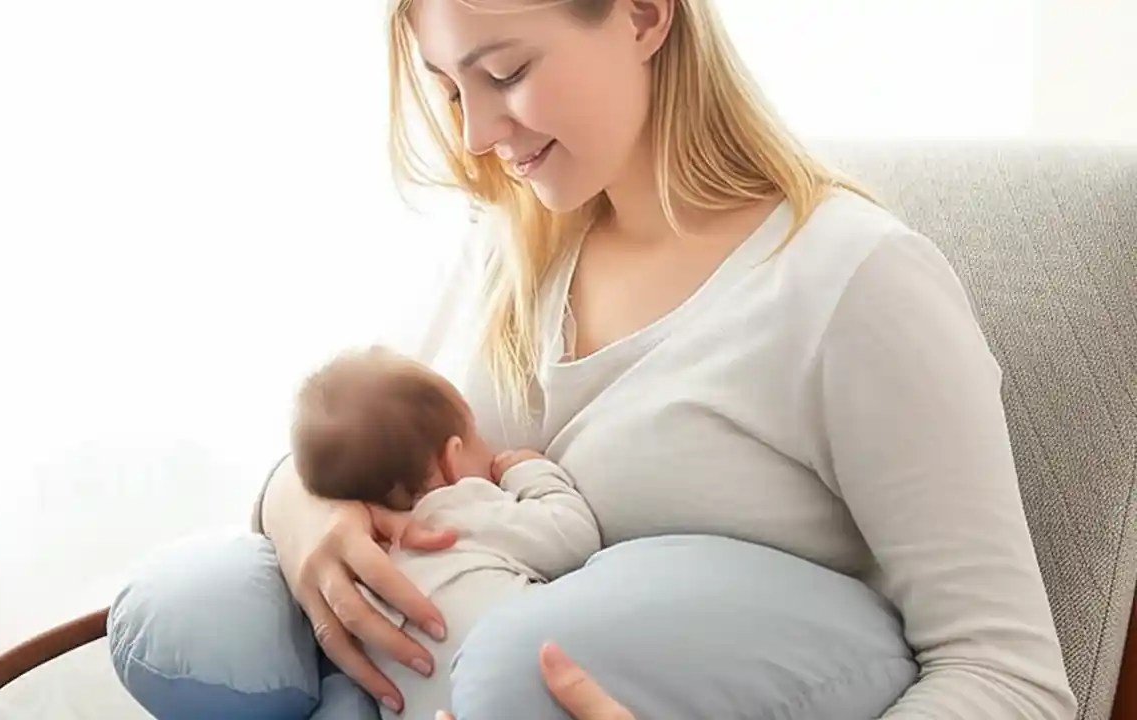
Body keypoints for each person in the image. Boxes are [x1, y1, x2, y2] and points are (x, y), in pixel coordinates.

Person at [256, 0, 1077, 717]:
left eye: (504, 72)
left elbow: (1010, 677)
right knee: (206, 612)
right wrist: (299, 506)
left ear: (645, 14)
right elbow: (351, 429)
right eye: (447, 88)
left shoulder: (852, 286)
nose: (473, 135)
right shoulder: (505, 249)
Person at [289, 345, 601, 718]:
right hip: (539, 688)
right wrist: (529, 470)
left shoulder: (352, 579)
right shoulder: (459, 509)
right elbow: (574, 537)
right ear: (453, 458)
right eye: (479, 438)